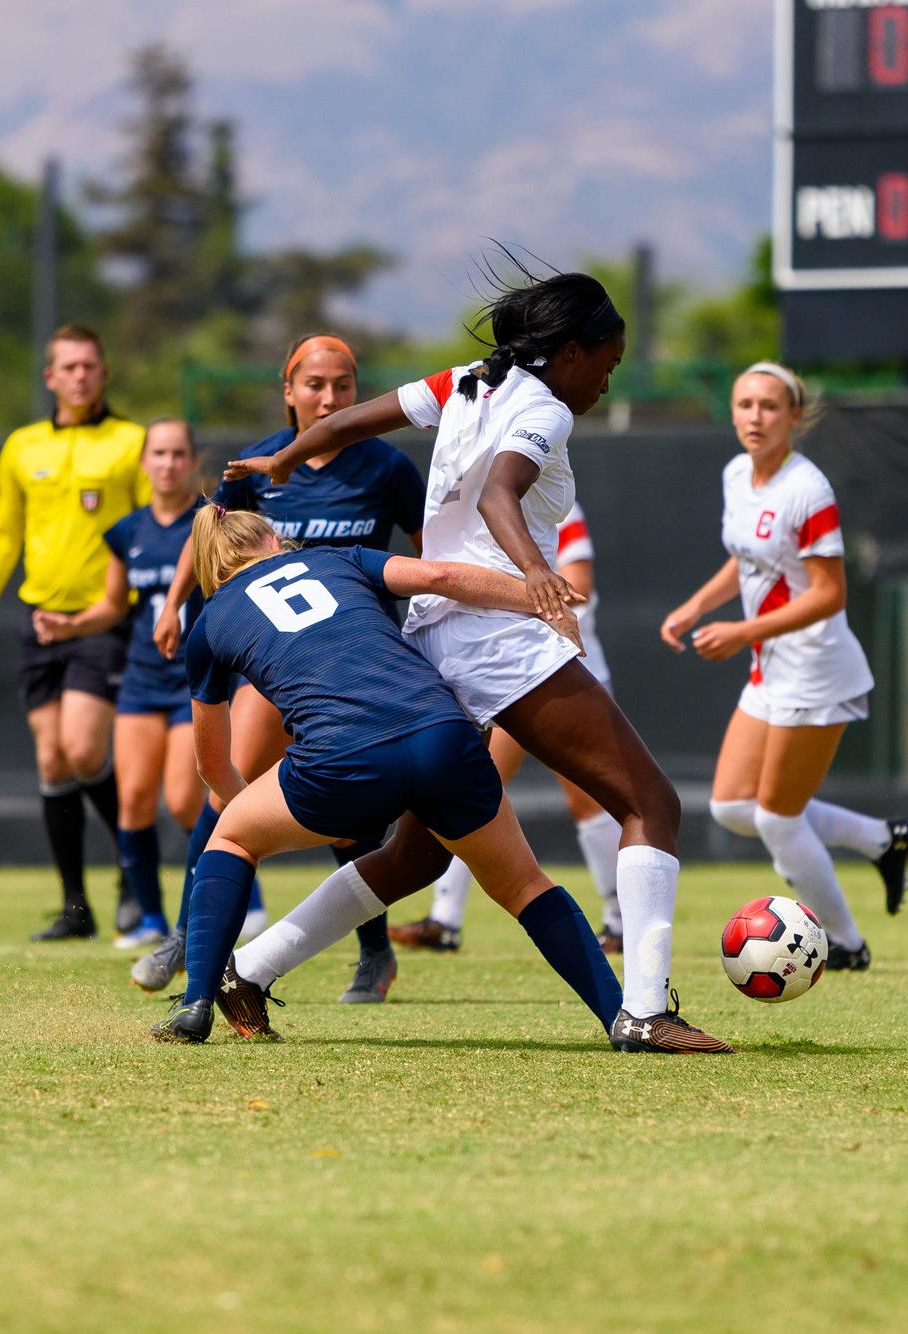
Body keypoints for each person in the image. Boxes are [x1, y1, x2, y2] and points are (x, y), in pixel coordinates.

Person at [222, 259, 730, 1054]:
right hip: (494, 639)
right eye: (608, 361)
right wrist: (535, 572)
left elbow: (351, 425)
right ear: (569, 352)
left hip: (429, 633)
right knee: (650, 806)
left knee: (419, 855)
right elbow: (501, 493)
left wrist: (284, 460)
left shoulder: (467, 380)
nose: (606, 381)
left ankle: (249, 970)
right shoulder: (545, 409)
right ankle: (643, 1011)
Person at [153, 507, 621, 1046]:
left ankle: (196, 1006)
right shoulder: (332, 558)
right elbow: (439, 576)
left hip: (341, 760)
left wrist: (279, 815)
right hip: (443, 732)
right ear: (270, 538)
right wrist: (536, 600)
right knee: (523, 884)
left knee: (230, 836)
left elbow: (212, 766)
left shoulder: (210, 623)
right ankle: (621, 1016)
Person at [133, 333, 426, 1001]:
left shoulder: (387, 468)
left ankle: (375, 953)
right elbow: (209, 533)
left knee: (352, 816)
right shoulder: (257, 467)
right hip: (277, 660)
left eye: (344, 385)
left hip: (360, 662)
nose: (329, 397)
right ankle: (190, 932)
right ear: (287, 390)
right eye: (315, 384)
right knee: (223, 791)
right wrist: (175, 603)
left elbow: (426, 549)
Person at [660, 362, 908, 972]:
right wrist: (696, 605)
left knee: (777, 817)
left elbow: (830, 593)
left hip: (815, 668)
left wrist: (741, 630)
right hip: (768, 663)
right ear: (731, 412)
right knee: (731, 807)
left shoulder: (809, 489)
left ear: (795, 417)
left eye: (770, 406)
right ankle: (881, 840)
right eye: (745, 404)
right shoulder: (735, 475)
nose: (755, 416)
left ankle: (848, 944)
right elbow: (748, 562)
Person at [0, 324, 145, 941]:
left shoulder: (131, 443)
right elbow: (3, 532)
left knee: (85, 749)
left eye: (90, 364)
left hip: (102, 621)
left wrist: (144, 604)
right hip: (38, 621)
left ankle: (134, 876)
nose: (80, 374)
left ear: (104, 373)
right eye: (69, 366)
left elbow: (155, 528)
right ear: (50, 377)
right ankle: (76, 907)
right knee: (52, 758)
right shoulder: (22, 446)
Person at [388, 503, 625, 954]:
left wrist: (508, 598)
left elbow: (580, 587)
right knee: (476, 788)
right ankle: (444, 919)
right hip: (500, 670)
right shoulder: (472, 504)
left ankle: (620, 922)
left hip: (556, 669)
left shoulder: (557, 504)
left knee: (588, 798)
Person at [30, 418, 206, 953]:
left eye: (178, 453)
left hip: (192, 681)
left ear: (193, 461)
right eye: (159, 453)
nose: (169, 463)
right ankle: (151, 919)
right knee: (131, 799)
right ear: (143, 463)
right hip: (140, 680)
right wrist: (71, 625)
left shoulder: (210, 524)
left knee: (183, 802)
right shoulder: (127, 531)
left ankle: (227, 899)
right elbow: (112, 606)